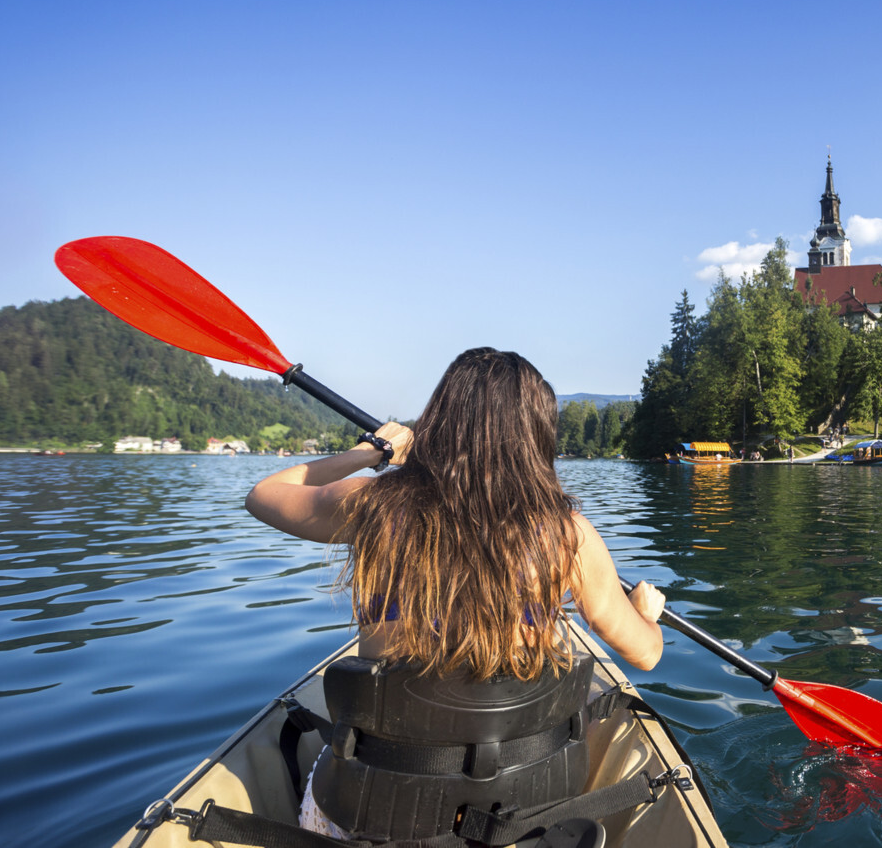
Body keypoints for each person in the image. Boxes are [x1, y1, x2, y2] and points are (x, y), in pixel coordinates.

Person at [244, 347, 665, 840]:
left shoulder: (371, 505)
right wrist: (644, 613)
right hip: (522, 819)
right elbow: (647, 654)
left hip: (377, 821)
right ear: (536, 437)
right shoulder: (569, 536)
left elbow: (264, 493)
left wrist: (373, 452)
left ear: (439, 421)